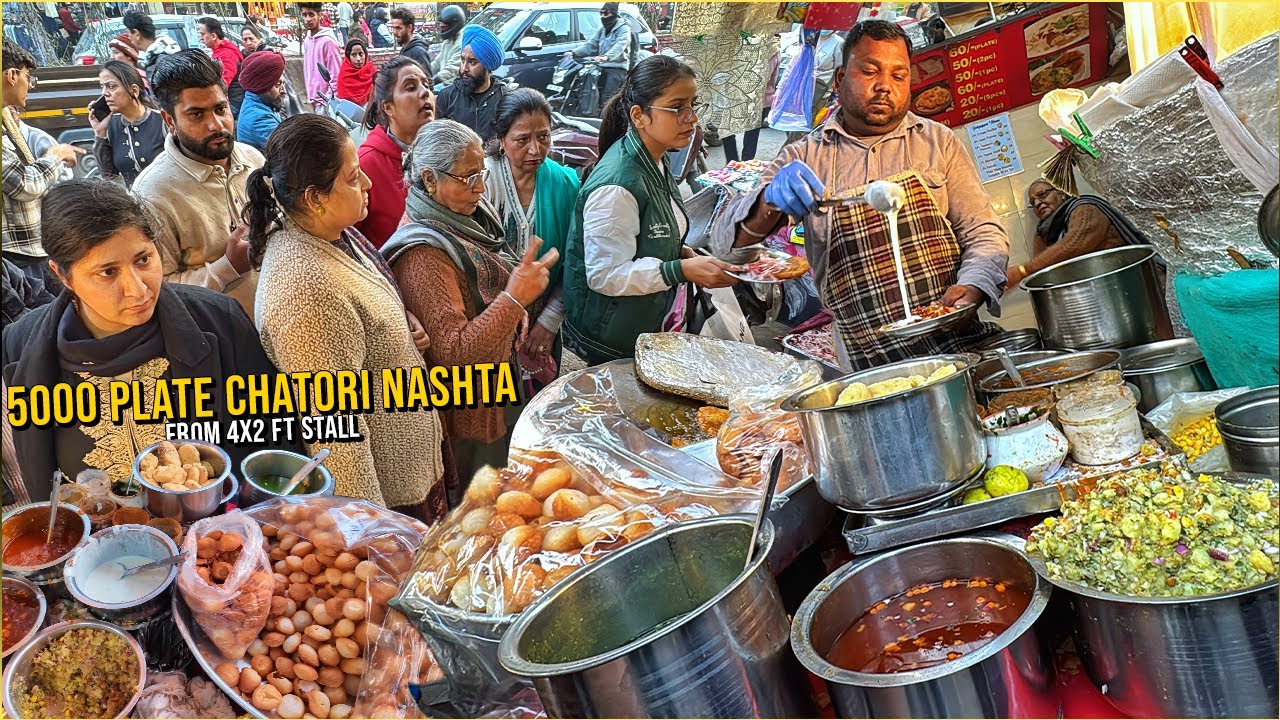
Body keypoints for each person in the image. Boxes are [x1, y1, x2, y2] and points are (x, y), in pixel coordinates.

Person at [712, 20, 1008, 370]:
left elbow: (983, 231)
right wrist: (768, 202)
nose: (884, 86)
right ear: (839, 79)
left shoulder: (937, 142)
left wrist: (974, 285)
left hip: (955, 339)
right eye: (869, 71)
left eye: (898, 76)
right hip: (869, 360)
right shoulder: (805, 157)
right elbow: (727, 247)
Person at [1, 179, 293, 501]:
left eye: (143, 260)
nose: (138, 289)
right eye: (108, 272)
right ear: (62, 275)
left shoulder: (220, 321)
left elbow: (274, 440)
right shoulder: (22, 347)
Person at [247, 114, 446, 520]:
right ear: (314, 198)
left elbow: (361, 306)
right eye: (354, 178)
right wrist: (371, 531)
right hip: (389, 496)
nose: (368, 183)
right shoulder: (307, 292)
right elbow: (335, 431)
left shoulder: (334, 232)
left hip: (408, 461)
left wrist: (396, 326)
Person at [383, 120, 556, 488]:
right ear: (430, 179)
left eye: (481, 173)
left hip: (497, 386)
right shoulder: (423, 256)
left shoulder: (466, 216)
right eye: (467, 178)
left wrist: (514, 302)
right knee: (482, 500)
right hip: (470, 411)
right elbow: (454, 353)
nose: (480, 187)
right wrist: (514, 298)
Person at [562, 56, 739, 364]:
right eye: (677, 108)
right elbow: (605, 275)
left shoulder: (655, 157)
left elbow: (649, 230)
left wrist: (678, 252)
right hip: (612, 338)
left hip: (643, 320)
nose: (692, 118)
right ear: (639, 115)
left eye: (693, 105)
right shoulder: (617, 185)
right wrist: (678, 270)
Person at [132, 50, 263, 317]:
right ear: (169, 120)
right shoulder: (151, 193)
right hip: (221, 336)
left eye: (220, 109)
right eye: (196, 115)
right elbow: (158, 289)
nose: (216, 125)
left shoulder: (253, 159)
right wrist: (228, 267)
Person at [482, 88, 580, 379]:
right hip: (490, 318)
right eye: (522, 140)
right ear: (502, 140)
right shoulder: (482, 183)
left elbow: (576, 260)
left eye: (543, 137)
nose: (535, 150)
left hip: (545, 317)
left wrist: (549, 322)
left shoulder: (565, 183)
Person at [2, 39, 83, 290]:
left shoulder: (6, 118)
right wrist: (55, 155)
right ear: (12, 75)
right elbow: (24, 184)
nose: (30, 85)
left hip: (28, 249)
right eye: (28, 77)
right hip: (15, 255)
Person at [1004, 179, 1153, 290]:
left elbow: (1073, 245)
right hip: (1087, 295)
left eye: (1042, 194)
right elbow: (1043, 273)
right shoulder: (1043, 232)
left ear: (1061, 192)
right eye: (1033, 202)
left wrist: (1023, 271)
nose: (1037, 203)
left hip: (1127, 284)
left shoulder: (1085, 208)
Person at [357, 58, 435, 248]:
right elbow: (350, 239)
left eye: (427, 85)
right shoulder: (365, 165)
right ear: (388, 107)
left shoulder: (443, 152)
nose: (425, 92)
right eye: (411, 87)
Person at [88, 60, 166, 187]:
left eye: (111, 86)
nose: (104, 93)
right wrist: (100, 133)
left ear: (134, 90)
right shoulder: (112, 126)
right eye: (102, 86)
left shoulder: (163, 121)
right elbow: (109, 178)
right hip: (132, 198)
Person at [436, 25, 511, 144]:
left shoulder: (505, 99)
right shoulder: (447, 97)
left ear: (487, 66)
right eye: (462, 60)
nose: (464, 68)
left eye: (472, 62)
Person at [568, 2, 633, 105]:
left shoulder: (624, 29)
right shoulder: (602, 30)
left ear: (614, 14)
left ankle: (607, 112)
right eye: (601, 14)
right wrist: (573, 53)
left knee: (607, 97)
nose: (603, 16)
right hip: (601, 65)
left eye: (606, 13)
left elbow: (620, 45)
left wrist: (606, 57)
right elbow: (590, 45)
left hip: (617, 67)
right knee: (586, 86)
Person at [723, 47, 780, 163]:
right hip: (745, 97)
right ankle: (733, 163)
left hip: (759, 101)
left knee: (750, 138)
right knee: (727, 130)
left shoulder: (771, 50)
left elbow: (762, 79)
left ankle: (743, 164)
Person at [235, 51, 288, 153]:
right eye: (277, 85)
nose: (284, 91)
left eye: (283, 84)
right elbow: (290, 150)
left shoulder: (260, 103)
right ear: (262, 86)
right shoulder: (260, 120)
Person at [197, 16, 244, 115]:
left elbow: (224, 82)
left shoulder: (226, 55)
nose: (201, 38)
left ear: (213, 36)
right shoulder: (221, 51)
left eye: (203, 34)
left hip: (233, 103)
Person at [300, 2, 342, 108]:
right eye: (304, 15)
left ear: (319, 15)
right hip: (311, 100)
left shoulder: (328, 42)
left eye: (311, 14)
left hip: (325, 103)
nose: (308, 19)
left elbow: (335, 75)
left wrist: (328, 101)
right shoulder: (307, 40)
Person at [431, 5, 466, 86]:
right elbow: (437, 63)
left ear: (454, 25)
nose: (442, 28)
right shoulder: (447, 42)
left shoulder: (461, 43)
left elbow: (452, 69)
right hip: (445, 85)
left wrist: (434, 80)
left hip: (455, 87)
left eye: (444, 26)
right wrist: (422, 72)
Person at [337, 37, 376, 105]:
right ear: (348, 56)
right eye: (354, 55)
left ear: (365, 54)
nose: (358, 59)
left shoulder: (373, 73)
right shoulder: (344, 76)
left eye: (361, 54)